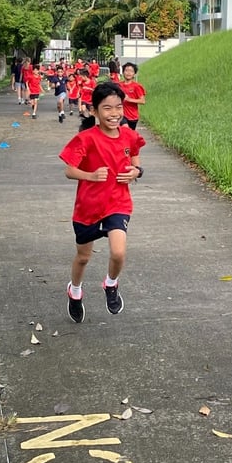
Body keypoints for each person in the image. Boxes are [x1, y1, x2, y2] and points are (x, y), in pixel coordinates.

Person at [59, 81, 146, 323]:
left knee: (118, 252)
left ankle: (111, 283)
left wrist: (136, 172)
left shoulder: (129, 136)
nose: (114, 113)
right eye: (107, 108)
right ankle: (75, 290)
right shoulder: (86, 139)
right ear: (94, 111)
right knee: (83, 257)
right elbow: (69, 170)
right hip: (87, 207)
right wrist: (90, 176)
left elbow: (136, 163)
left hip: (118, 203)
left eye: (118, 107)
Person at [119, 62, 146, 130]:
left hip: (132, 116)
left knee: (130, 134)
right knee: (124, 128)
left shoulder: (137, 86)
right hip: (120, 114)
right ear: (123, 72)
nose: (128, 73)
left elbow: (142, 101)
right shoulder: (119, 85)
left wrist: (128, 99)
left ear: (134, 74)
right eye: (126, 70)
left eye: (131, 71)